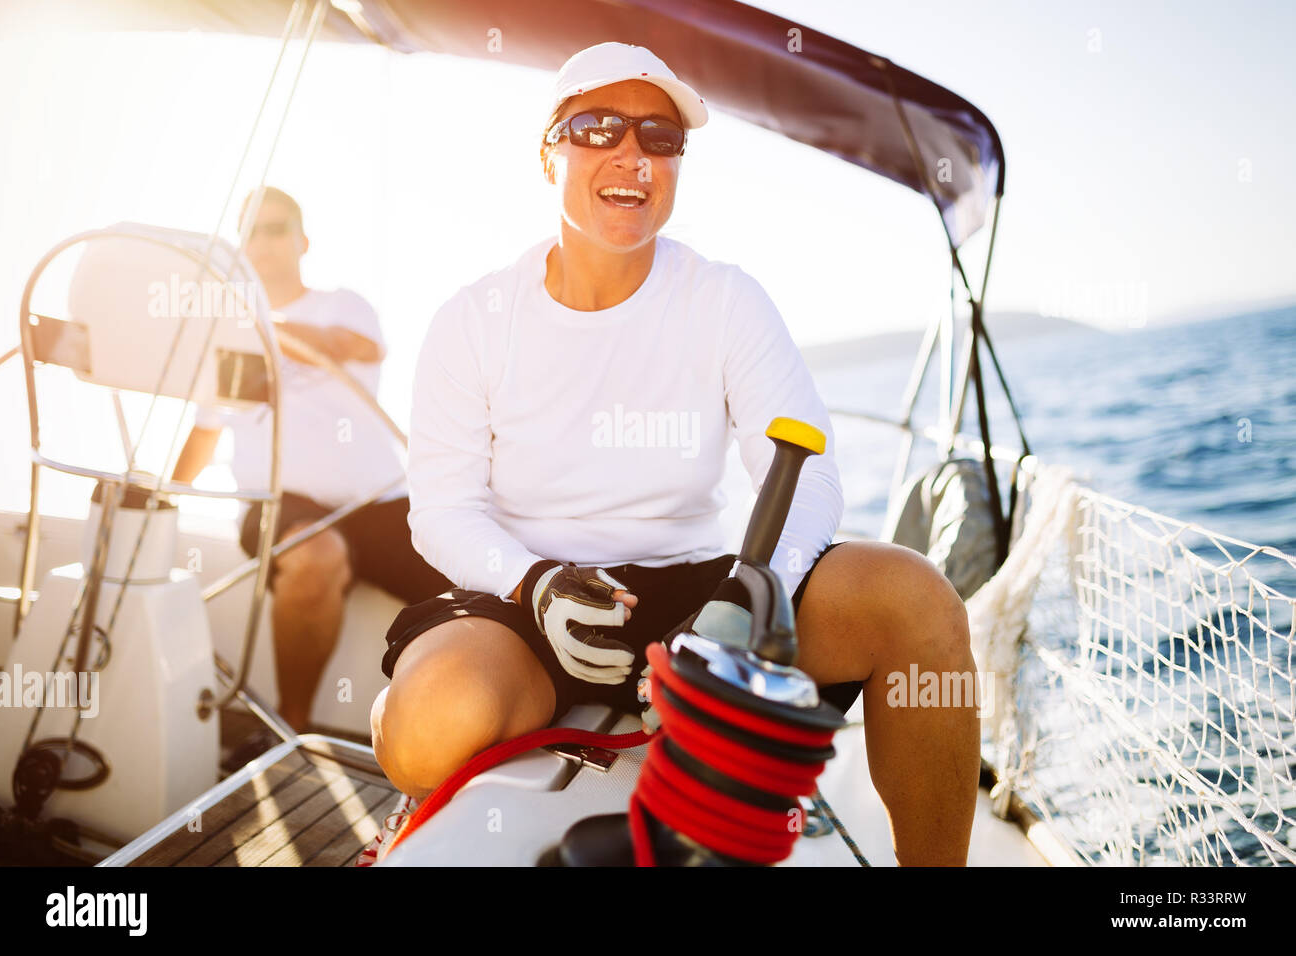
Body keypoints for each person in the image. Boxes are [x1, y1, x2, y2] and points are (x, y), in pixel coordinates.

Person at [370, 43, 979, 866]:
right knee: (423, 731)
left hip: (700, 595)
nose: (633, 154)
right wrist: (534, 581)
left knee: (916, 602)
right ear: (547, 152)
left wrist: (744, 596)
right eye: (599, 128)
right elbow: (442, 508)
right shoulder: (472, 320)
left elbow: (811, 473)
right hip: (526, 605)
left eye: (660, 137)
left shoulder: (724, 299)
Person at [173, 186, 451, 736]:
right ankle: (291, 730)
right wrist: (160, 494)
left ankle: (459, 737)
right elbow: (205, 434)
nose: (265, 241)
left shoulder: (340, 304)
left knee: (471, 583)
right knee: (316, 555)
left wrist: (254, 326)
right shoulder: (226, 340)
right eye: (252, 230)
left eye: (277, 229)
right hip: (280, 507)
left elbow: (349, 345)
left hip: (377, 504)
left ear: (303, 241)